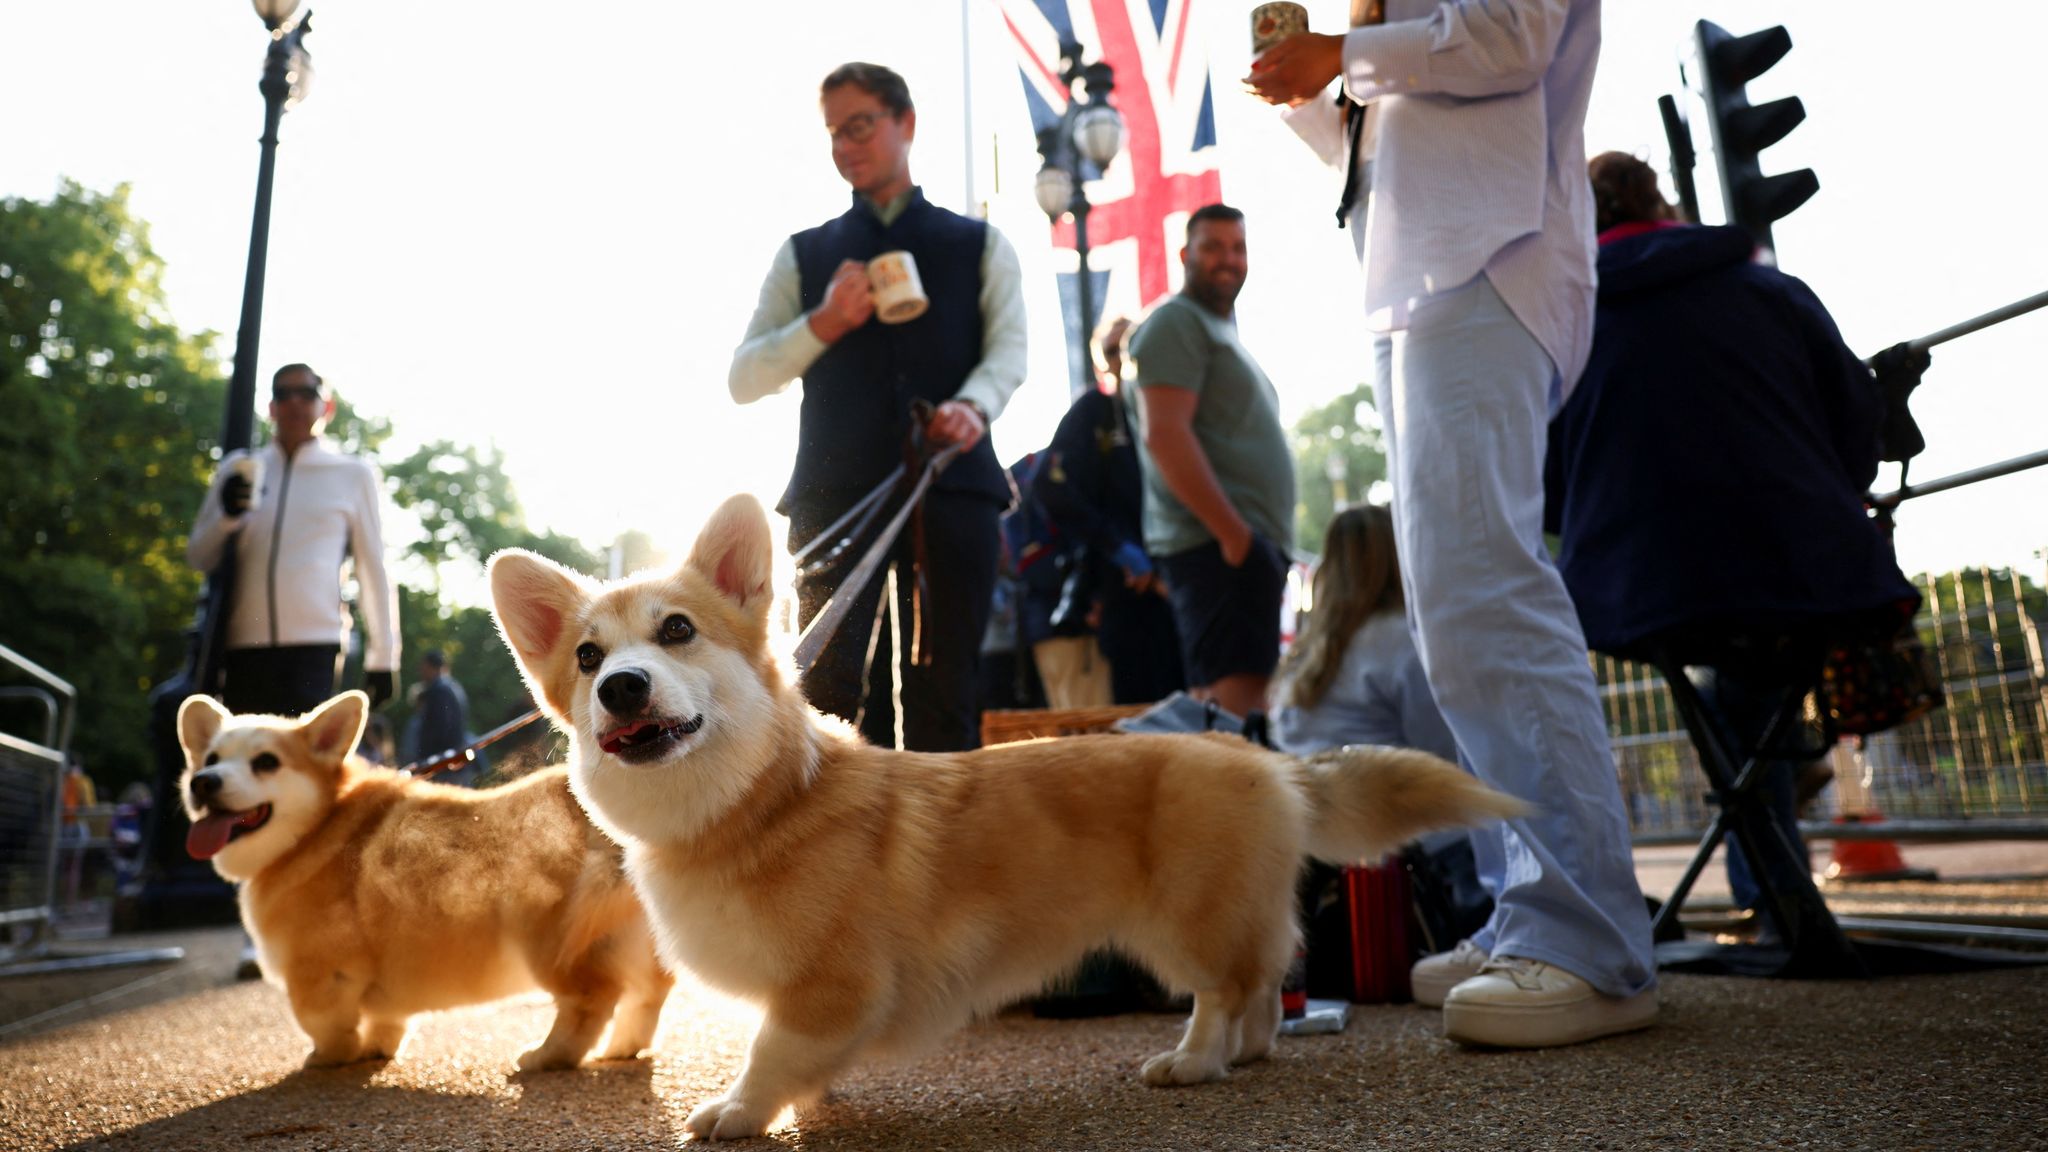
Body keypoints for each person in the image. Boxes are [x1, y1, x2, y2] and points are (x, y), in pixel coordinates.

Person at [1246, 0, 1658, 1048]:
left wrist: (1343, 52)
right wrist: (1319, 91)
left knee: (1482, 592)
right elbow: (1397, 136)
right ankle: (1530, 908)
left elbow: (1509, 37)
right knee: (1451, 609)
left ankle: (1587, 941)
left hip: (1487, 255)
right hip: (1432, 263)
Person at [1548, 152, 1920, 919]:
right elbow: (1857, 434)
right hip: (1809, 564)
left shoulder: (1563, 331)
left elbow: (1548, 492)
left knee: (1729, 679)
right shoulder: (1768, 289)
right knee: (1754, 676)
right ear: (1667, 205)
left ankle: (1776, 896)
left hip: (1644, 587)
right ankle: (1779, 895)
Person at [728, 62, 1027, 752]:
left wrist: (972, 410)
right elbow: (744, 379)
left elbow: (1009, 355)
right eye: (835, 133)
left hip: (951, 492)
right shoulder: (803, 256)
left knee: (943, 700)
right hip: (835, 497)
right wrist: (823, 324)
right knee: (824, 698)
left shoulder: (979, 244)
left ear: (906, 124)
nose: (846, 146)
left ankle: (939, 860)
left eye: (860, 125)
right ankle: (831, 860)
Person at [1126, 205, 1296, 722]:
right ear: (1185, 255)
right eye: (1213, 247)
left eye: (1238, 247)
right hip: (1218, 552)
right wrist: (1236, 538)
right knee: (1234, 719)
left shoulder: (1215, 329)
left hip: (1235, 551)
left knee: (1226, 719)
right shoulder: (1177, 322)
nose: (1229, 259)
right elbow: (1166, 434)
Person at [187, 363, 400, 718]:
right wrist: (226, 517)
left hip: (315, 646)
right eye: (283, 394)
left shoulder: (352, 474)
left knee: (301, 766)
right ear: (270, 407)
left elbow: (372, 567)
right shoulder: (240, 468)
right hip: (243, 646)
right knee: (247, 764)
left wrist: (384, 656)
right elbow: (198, 555)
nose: (294, 403)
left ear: (326, 406)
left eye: (307, 393)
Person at [1028, 317, 1185, 706]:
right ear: (1101, 364)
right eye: (1113, 349)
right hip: (1127, 590)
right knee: (1141, 711)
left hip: (1183, 581)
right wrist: (1117, 548)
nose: (1124, 356)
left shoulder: (1176, 409)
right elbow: (1051, 485)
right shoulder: (1093, 412)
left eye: (1132, 344)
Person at [410, 648, 482, 785]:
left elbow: (439, 729)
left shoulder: (439, 691)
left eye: (424, 667)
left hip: (444, 763)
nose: (421, 671)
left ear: (432, 667)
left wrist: (427, 760)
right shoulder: (452, 687)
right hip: (451, 760)